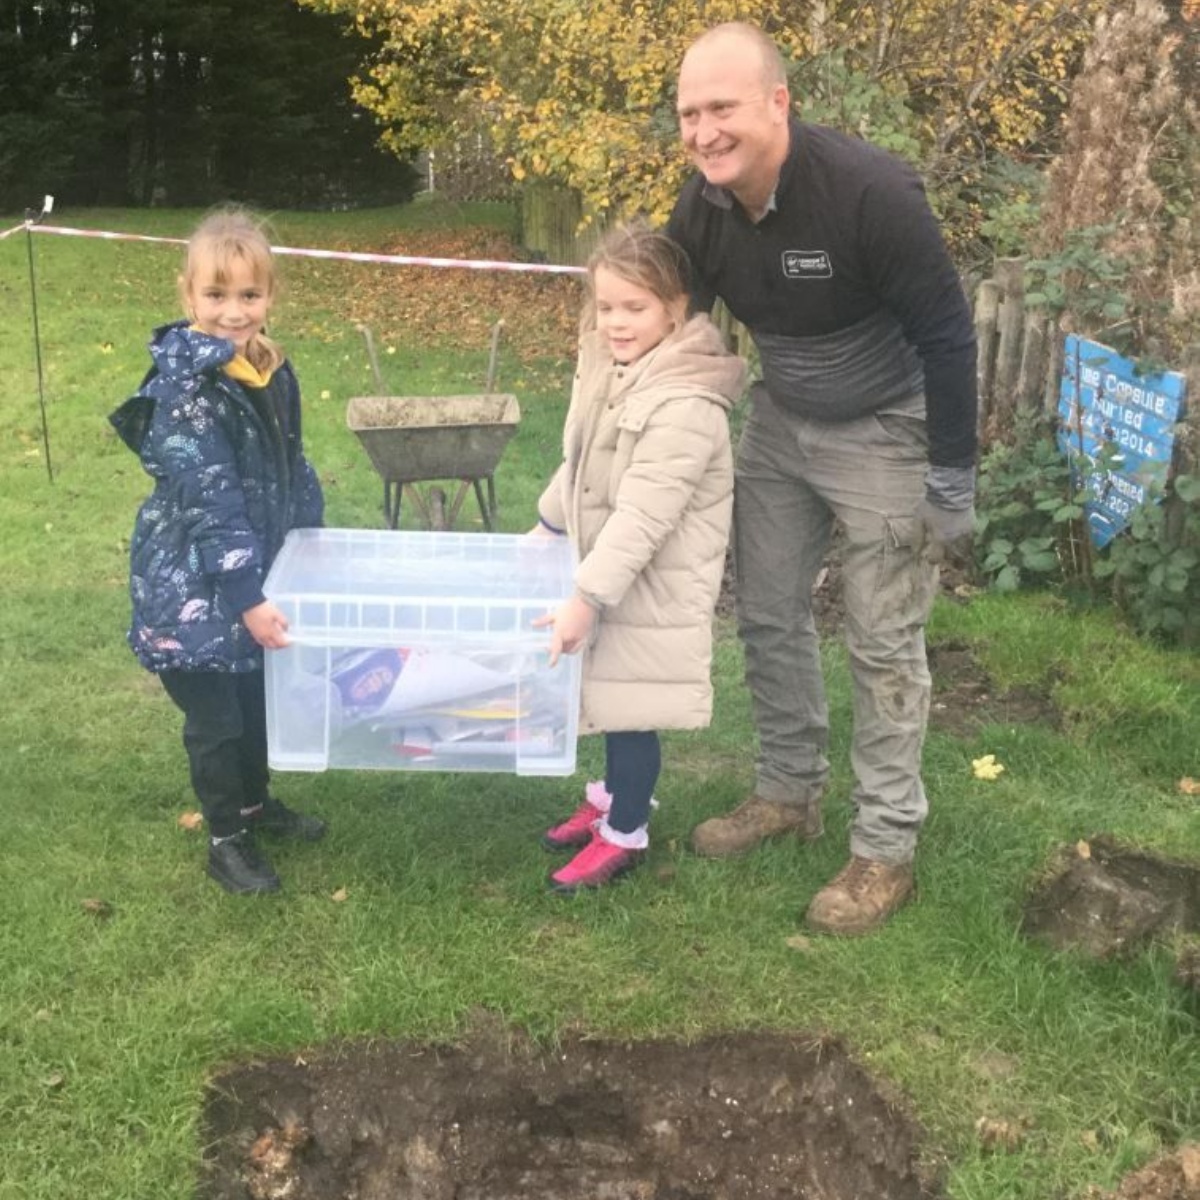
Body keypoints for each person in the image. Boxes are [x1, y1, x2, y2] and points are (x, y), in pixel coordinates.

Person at [666, 23, 978, 935]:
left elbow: (949, 335)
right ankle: (787, 792)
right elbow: (671, 319)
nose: (703, 131)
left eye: (721, 108)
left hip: (888, 424)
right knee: (766, 611)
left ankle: (885, 849)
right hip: (783, 421)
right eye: (689, 113)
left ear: (778, 103)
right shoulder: (705, 207)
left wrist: (951, 481)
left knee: (883, 642)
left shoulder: (870, 192)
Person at [110, 207, 327, 895]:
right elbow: (212, 501)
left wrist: (311, 535)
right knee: (216, 717)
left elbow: (288, 464)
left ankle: (256, 805)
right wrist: (249, 598)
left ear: (270, 297)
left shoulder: (266, 367)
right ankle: (225, 839)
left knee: (256, 698)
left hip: (251, 573)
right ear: (188, 295)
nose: (233, 311)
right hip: (192, 587)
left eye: (248, 295)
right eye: (216, 295)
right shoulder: (186, 389)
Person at [530, 222, 747, 894]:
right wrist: (547, 522)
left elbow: (644, 517)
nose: (617, 322)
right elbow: (583, 461)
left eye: (635, 308)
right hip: (612, 570)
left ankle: (626, 830)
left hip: (651, 582)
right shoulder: (610, 366)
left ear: (674, 308)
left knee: (632, 709)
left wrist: (586, 597)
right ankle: (608, 798)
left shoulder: (684, 401)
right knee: (610, 693)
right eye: (606, 306)